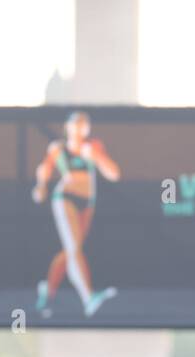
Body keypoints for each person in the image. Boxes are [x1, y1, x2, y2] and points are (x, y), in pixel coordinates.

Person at [32, 111, 120, 318]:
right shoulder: (58, 149)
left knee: (71, 250)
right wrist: (40, 187)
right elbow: (44, 171)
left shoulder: (93, 147)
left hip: (87, 203)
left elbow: (114, 174)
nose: (80, 129)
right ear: (68, 127)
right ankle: (87, 297)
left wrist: (96, 156)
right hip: (65, 198)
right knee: (73, 248)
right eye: (77, 124)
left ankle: (47, 291)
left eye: (84, 125)